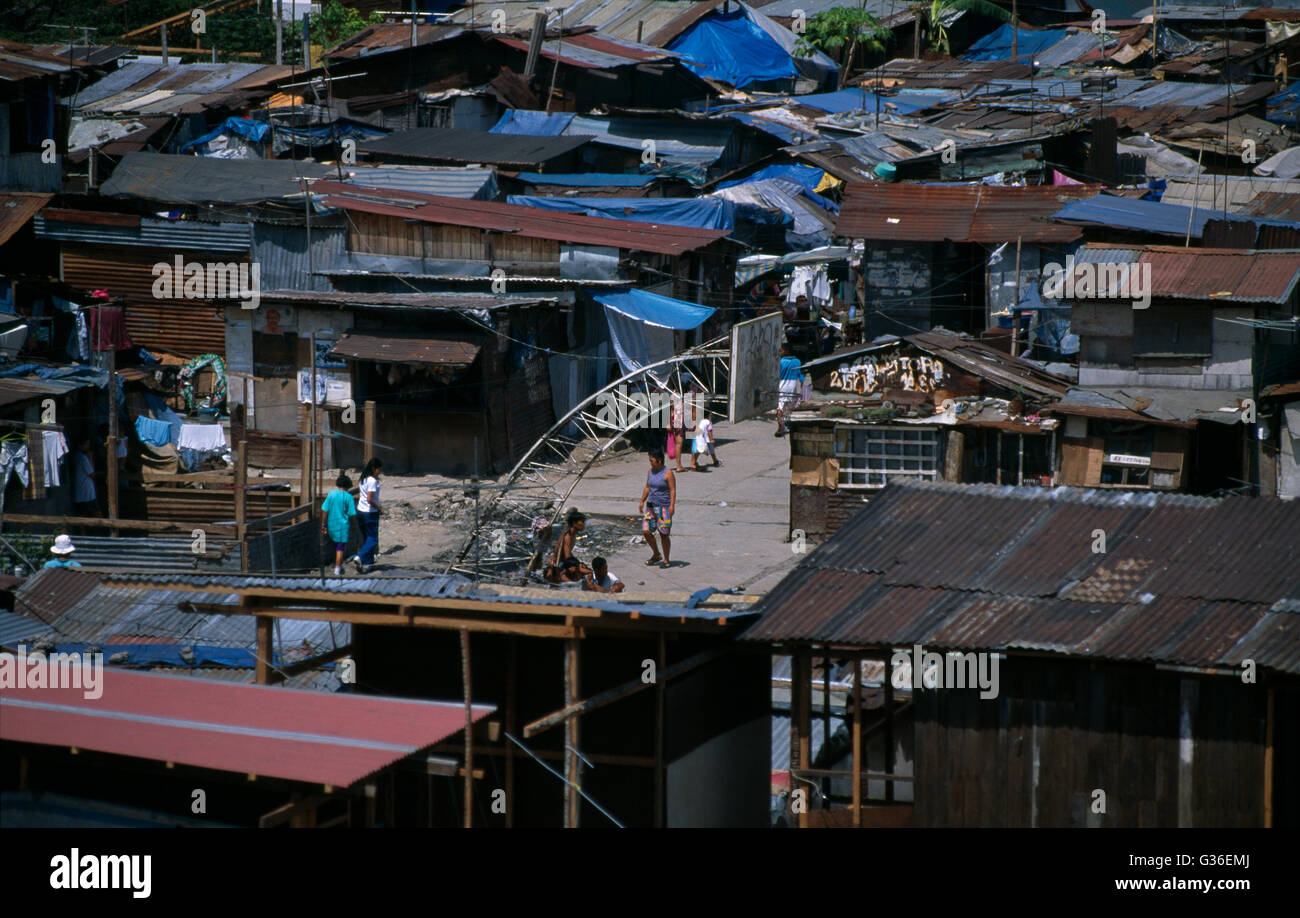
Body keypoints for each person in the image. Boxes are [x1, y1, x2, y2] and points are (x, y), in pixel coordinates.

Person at [639, 448, 676, 569]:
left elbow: (672, 490)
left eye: (652, 461)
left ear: (659, 461)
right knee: (646, 531)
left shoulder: (668, 473)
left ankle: (666, 559)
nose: (651, 463)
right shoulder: (650, 471)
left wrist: (671, 506)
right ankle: (656, 553)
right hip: (651, 506)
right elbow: (647, 487)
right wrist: (642, 501)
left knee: (663, 534)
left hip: (664, 507)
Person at [321, 474, 356, 577]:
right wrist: (354, 525)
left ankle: (335, 564)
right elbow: (352, 514)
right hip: (343, 526)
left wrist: (323, 524)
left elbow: (324, 510)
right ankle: (337, 569)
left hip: (331, 524)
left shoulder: (331, 494)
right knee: (340, 547)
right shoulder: (348, 497)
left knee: (334, 545)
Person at [354, 458, 383, 573]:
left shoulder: (363, 479)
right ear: (374, 468)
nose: (379, 472)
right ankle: (360, 556)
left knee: (367, 537)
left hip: (360, 511)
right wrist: (379, 508)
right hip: (370, 513)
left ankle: (368, 562)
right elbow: (369, 498)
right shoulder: (371, 481)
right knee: (373, 539)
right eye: (378, 469)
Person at [776, 342, 804, 437]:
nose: (780, 352)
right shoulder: (797, 361)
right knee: (789, 408)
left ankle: (781, 428)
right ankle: (787, 425)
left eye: (781, 350)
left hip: (782, 387)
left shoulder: (780, 362)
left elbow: (775, 376)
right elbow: (801, 377)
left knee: (780, 409)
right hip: (793, 388)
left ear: (786, 351)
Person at [72, 437, 98, 519]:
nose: (88, 447)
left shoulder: (76, 456)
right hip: (87, 492)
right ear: (80, 446)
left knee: (82, 514)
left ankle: (84, 532)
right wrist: (90, 458)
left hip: (80, 492)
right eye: (86, 445)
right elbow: (92, 474)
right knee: (95, 512)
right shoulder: (83, 457)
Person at [667, 391, 687, 473]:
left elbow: (670, 410)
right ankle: (679, 466)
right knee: (679, 445)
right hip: (678, 423)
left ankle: (679, 465)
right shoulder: (680, 401)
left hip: (674, 421)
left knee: (678, 444)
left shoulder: (672, 401)